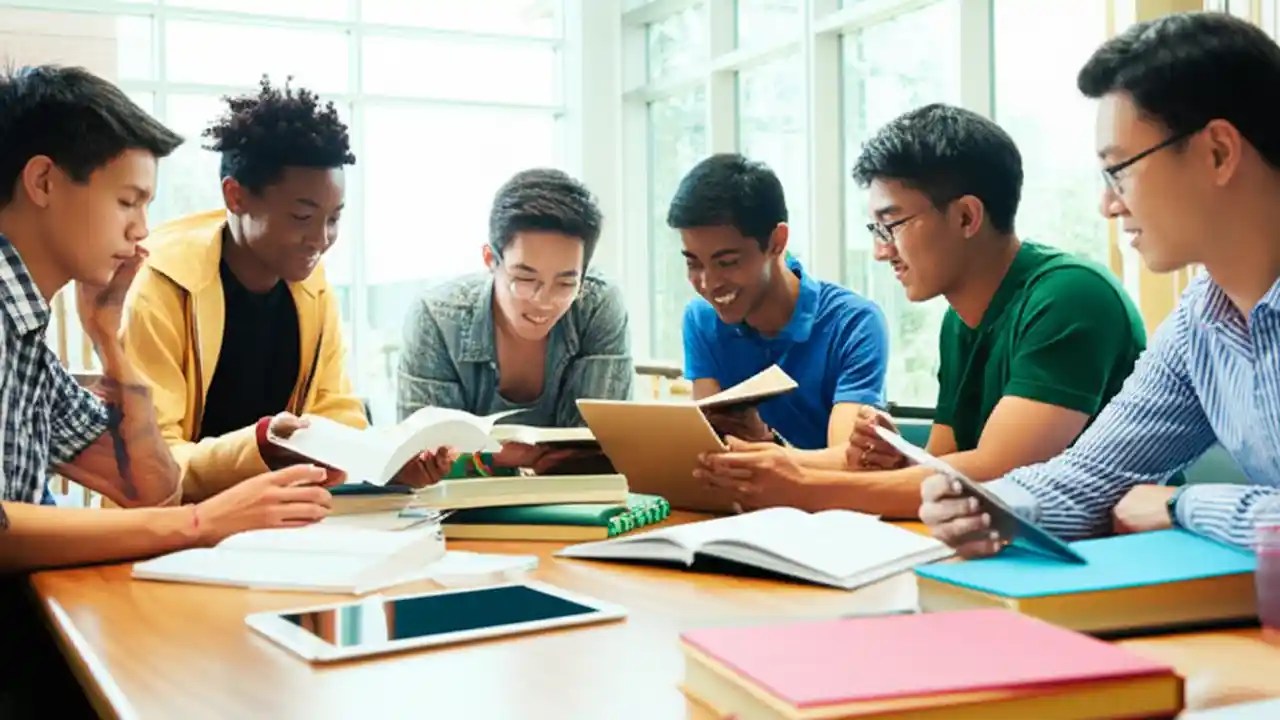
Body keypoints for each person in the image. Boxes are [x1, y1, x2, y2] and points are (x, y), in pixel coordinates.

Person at [922, 11, 1280, 555]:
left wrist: (1177, 505)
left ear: (1218, 153)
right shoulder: (1201, 321)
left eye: (1120, 170)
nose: (1108, 204)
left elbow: (1148, 500)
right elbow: (1094, 474)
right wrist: (988, 506)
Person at [696, 111, 1145, 517]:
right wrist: (895, 456)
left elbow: (997, 474)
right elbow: (945, 460)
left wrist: (803, 484)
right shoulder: (959, 320)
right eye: (876, 229)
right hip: (1006, 546)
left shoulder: (1071, 296)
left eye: (891, 225)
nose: (879, 250)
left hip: (1113, 566)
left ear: (967, 217)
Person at [0, 65, 333, 572]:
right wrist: (201, 524)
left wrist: (108, 339)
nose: (141, 230)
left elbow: (150, 488)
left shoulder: (26, 340)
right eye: (126, 202)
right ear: (43, 181)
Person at [120, 76, 450, 502]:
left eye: (334, 219)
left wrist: (386, 465)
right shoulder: (161, 287)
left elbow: (335, 415)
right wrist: (260, 445)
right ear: (235, 196)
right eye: (302, 217)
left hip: (278, 521)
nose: (321, 239)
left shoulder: (311, 288)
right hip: (177, 528)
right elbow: (152, 463)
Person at [398, 167, 632, 476]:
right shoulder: (436, 317)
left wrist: (490, 455)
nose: (544, 301)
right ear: (490, 260)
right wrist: (534, 458)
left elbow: (597, 452)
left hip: (575, 506)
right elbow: (423, 461)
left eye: (564, 284)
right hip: (457, 514)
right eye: (524, 278)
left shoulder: (597, 305)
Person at [674, 153, 890, 469]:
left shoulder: (855, 323)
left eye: (727, 262)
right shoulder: (701, 319)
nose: (708, 284)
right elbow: (708, 446)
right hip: (741, 505)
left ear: (777, 241)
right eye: (693, 263)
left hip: (831, 509)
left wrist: (768, 449)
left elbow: (848, 460)